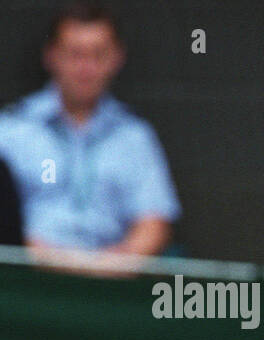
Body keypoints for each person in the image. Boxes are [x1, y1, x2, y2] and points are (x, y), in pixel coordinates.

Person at [0, 2, 180, 260]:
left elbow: (154, 225)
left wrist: (107, 267)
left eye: (98, 55)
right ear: (51, 56)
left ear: (117, 57)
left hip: (112, 286)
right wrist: (37, 256)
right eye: (75, 54)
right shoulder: (10, 131)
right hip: (24, 282)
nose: (86, 68)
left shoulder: (135, 137)